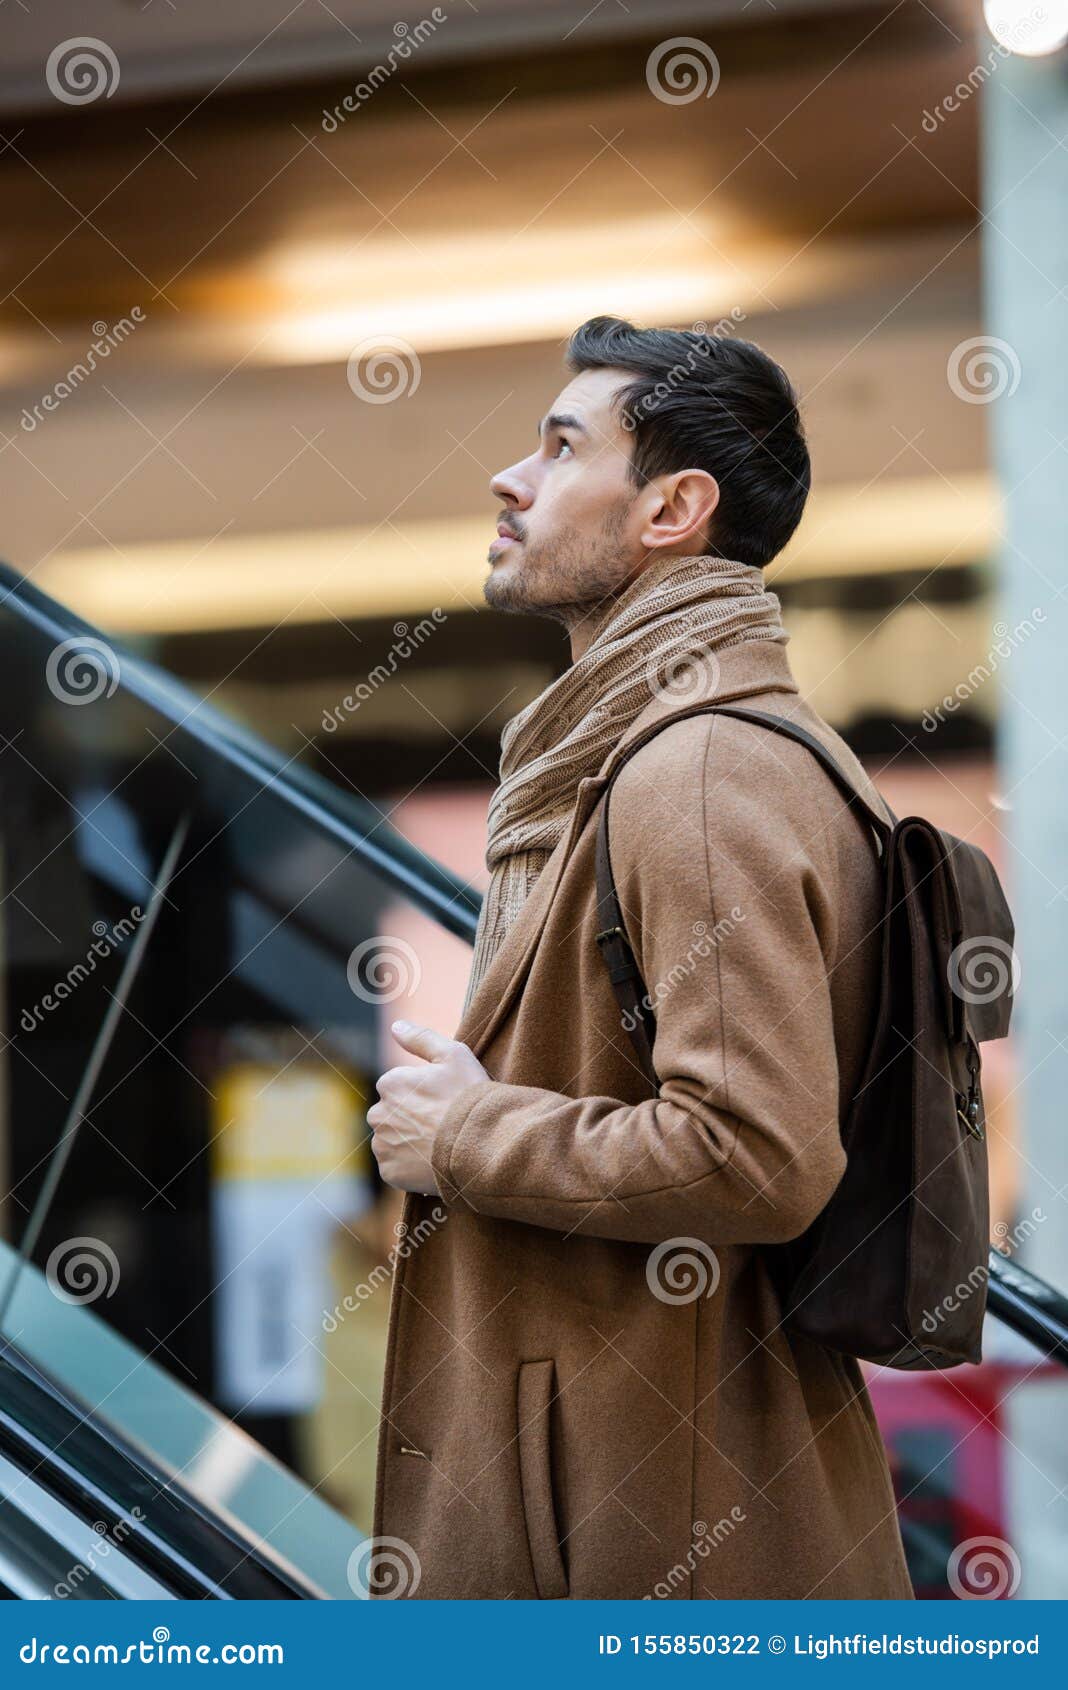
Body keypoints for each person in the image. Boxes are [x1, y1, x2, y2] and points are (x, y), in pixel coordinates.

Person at [366, 315, 914, 1600]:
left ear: (673, 507)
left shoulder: (697, 771)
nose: (511, 481)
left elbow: (758, 1155)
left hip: (653, 1528)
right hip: (646, 1477)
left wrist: (466, 1137)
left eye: (560, 449)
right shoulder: (640, 757)